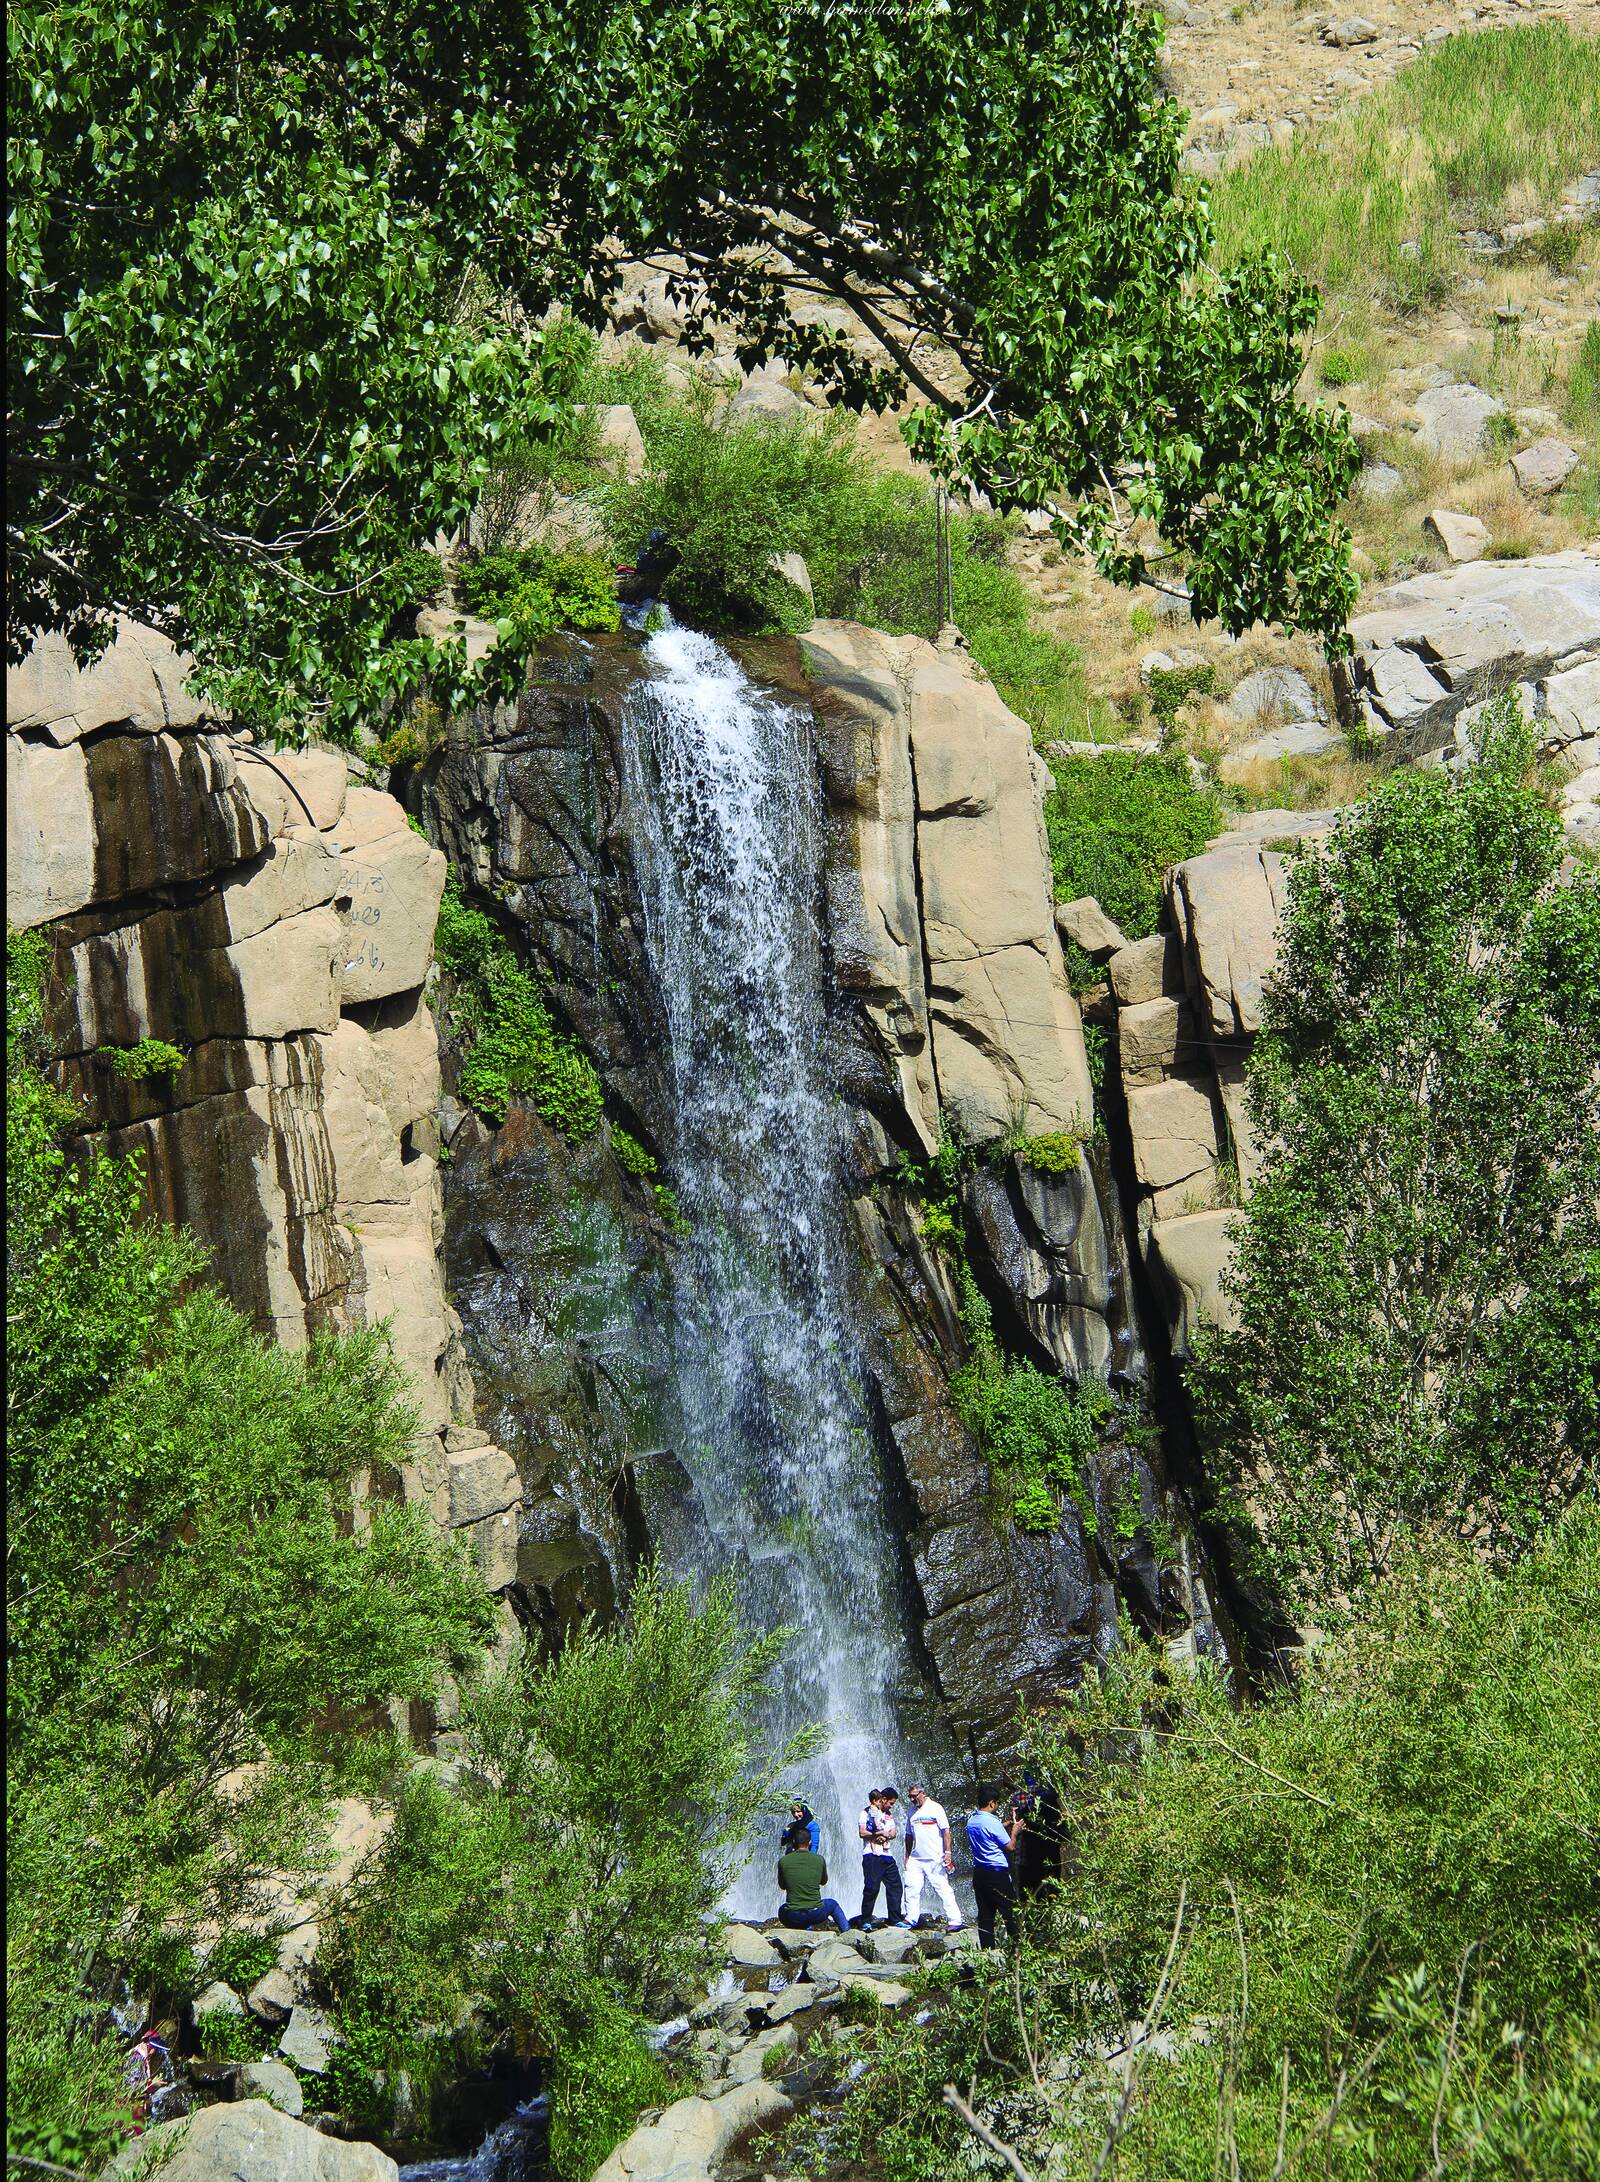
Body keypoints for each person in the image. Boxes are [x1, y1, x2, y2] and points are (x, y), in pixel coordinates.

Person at [966, 1786, 1023, 1950]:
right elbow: (1010, 1846)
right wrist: (1015, 1830)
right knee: (1009, 1912)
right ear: (991, 1803)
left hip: (980, 1873)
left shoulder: (972, 1821)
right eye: (996, 1803)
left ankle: (987, 1951)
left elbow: (989, 1832)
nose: (997, 1806)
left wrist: (1005, 1823)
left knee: (985, 1915)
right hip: (997, 1874)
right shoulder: (993, 1822)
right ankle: (1018, 1948)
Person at [902, 1783, 964, 1931]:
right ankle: (911, 1918)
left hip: (935, 1857)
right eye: (910, 1796)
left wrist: (947, 1853)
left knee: (942, 1888)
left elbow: (946, 1831)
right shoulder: (911, 1811)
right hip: (916, 1858)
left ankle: (955, 1920)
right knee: (911, 1887)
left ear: (923, 1793)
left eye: (914, 1796)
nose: (912, 1799)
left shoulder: (936, 1808)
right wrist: (907, 1855)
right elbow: (908, 1835)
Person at [776, 1821, 849, 1933]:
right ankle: (847, 1932)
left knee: (782, 1910)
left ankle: (803, 1929)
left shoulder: (783, 1861)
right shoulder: (819, 1859)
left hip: (793, 1916)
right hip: (816, 1913)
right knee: (832, 1904)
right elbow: (823, 1881)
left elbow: (782, 1886)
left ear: (794, 1841)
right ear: (809, 1842)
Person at [858, 1786, 904, 1931]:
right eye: (890, 1803)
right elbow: (862, 1832)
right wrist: (876, 1835)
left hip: (887, 1855)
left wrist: (885, 1834)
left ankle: (895, 1918)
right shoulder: (866, 1812)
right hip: (872, 1855)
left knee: (896, 1886)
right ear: (882, 1799)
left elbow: (894, 1832)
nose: (891, 1806)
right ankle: (865, 1919)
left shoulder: (889, 1815)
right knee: (872, 1887)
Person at [1015, 1772, 1064, 1902]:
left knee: (1027, 1888)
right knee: (1051, 1884)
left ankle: (1029, 1915)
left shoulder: (1019, 1796)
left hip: (1027, 1851)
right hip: (1049, 1847)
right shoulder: (1051, 1795)